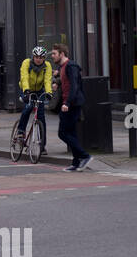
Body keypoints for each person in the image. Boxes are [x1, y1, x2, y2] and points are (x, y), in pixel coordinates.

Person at [50, 43, 91, 171]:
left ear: (62, 54)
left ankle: (84, 156)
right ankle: (76, 162)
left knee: (62, 133)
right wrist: (57, 81)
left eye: (54, 54)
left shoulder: (71, 66)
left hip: (72, 104)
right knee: (71, 132)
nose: (52, 56)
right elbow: (65, 81)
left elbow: (74, 86)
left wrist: (67, 103)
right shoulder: (63, 67)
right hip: (69, 103)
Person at [15, 46, 53, 155]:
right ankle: (20, 132)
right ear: (33, 56)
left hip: (39, 91)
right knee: (29, 107)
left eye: (41, 57)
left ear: (44, 58)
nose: (38, 59)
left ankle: (42, 146)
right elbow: (24, 77)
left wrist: (49, 93)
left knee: (41, 117)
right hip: (26, 89)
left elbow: (47, 80)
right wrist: (26, 90)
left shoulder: (47, 66)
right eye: (36, 57)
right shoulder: (26, 63)